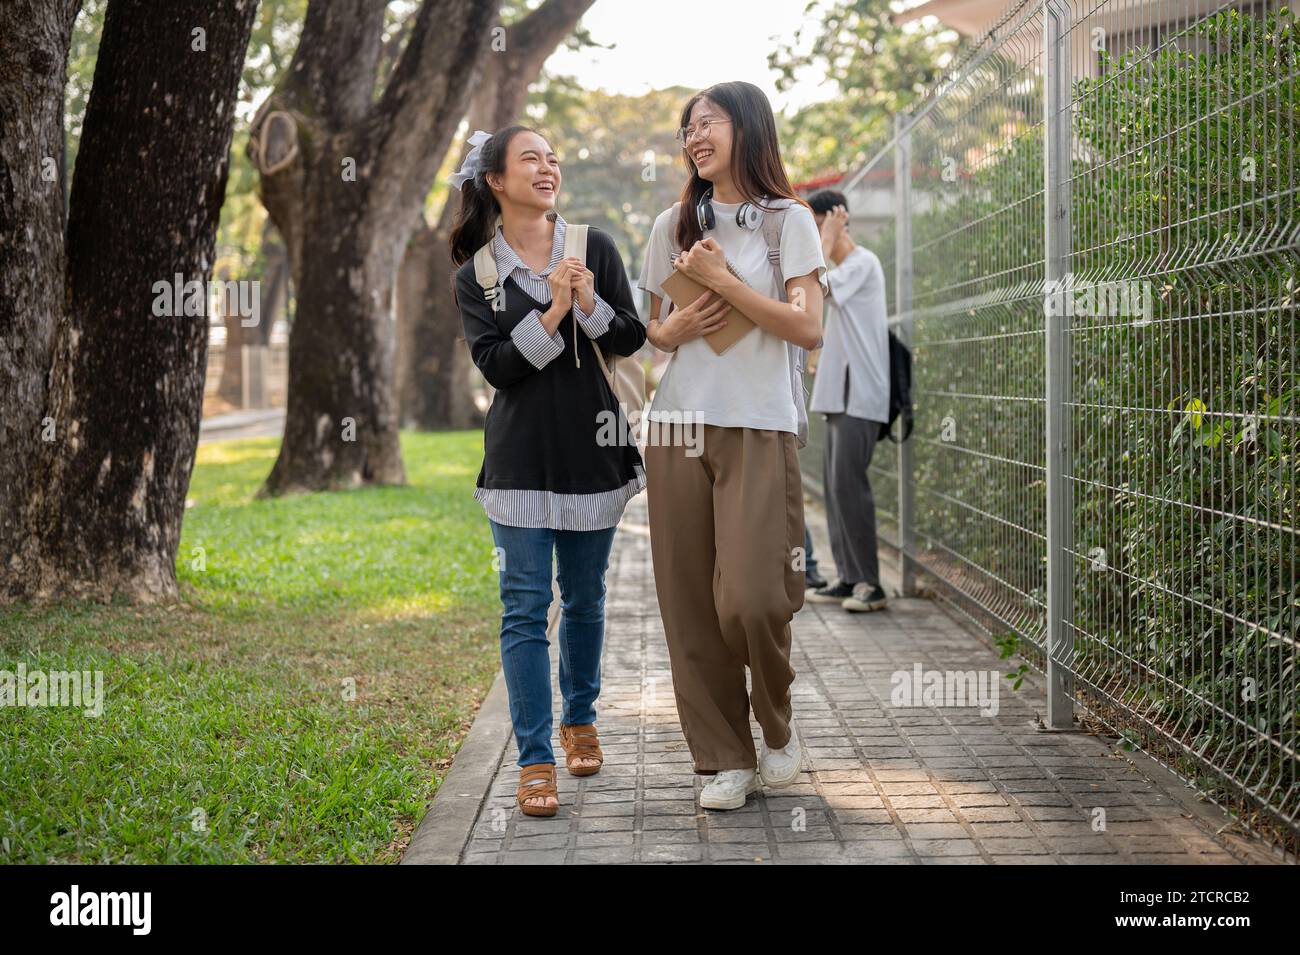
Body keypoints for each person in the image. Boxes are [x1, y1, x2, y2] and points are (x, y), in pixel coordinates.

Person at [637, 81, 827, 811]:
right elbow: (655, 333)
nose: (694, 135)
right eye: (687, 126)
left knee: (752, 596)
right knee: (688, 601)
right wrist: (668, 331)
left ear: (747, 126)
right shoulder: (671, 224)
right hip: (679, 424)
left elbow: (807, 328)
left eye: (707, 121)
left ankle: (778, 727)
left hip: (759, 422)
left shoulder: (790, 223)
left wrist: (724, 280)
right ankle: (726, 756)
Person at [449, 125, 647, 817]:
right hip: (517, 460)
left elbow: (631, 336)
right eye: (530, 157)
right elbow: (496, 366)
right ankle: (535, 760)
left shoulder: (594, 246)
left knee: (586, 597)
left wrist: (589, 304)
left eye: (553, 156)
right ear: (496, 180)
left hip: (593, 451)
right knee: (524, 609)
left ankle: (581, 718)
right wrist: (556, 309)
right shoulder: (475, 273)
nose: (548, 166)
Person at [805, 190, 889, 613]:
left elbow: (816, 286)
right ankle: (848, 577)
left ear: (836, 220)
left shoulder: (862, 264)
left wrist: (827, 236)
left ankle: (871, 585)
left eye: (817, 224)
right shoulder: (847, 270)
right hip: (840, 397)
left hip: (860, 398)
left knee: (850, 489)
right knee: (836, 490)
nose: (812, 234)